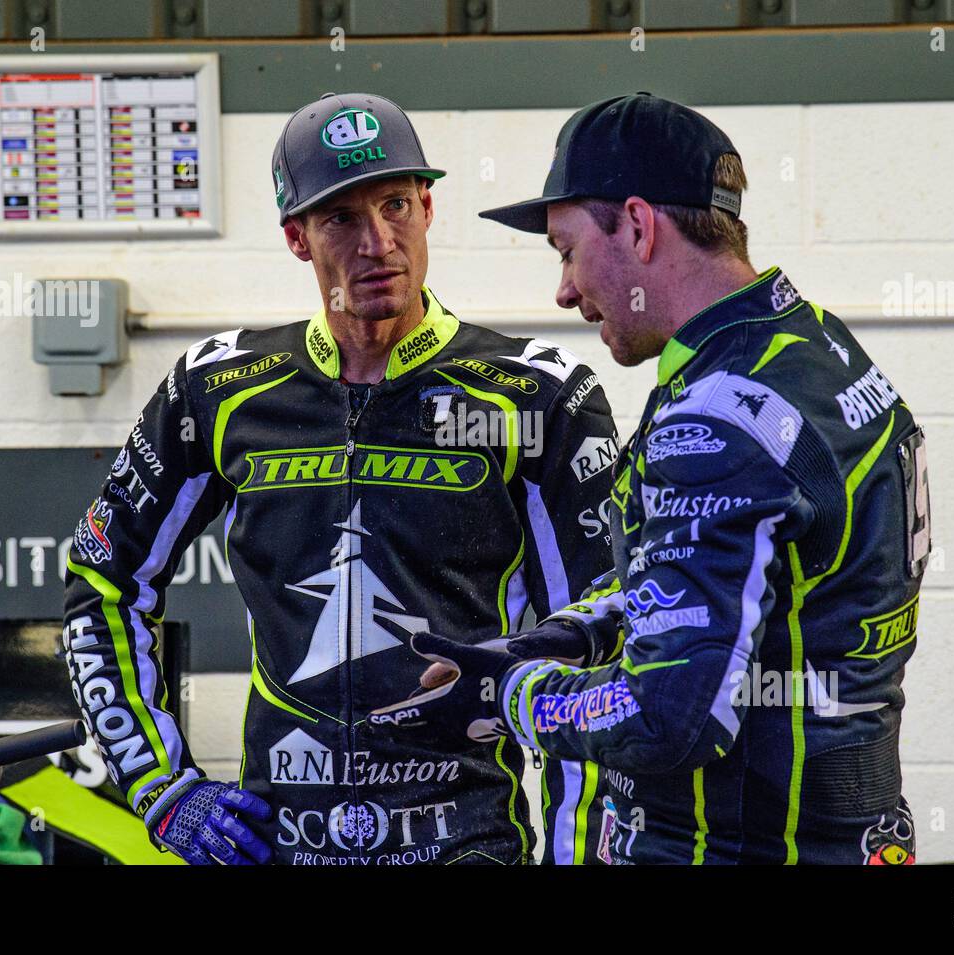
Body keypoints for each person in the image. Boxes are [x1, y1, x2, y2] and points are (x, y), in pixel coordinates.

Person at [369, 93, 930, 865]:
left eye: (566, 251)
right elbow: (727, 595)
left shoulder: (716, 425)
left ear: (637, 224)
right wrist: (566, 635)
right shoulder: (814, 351)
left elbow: (669, 718)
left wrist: (507, 695)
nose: (564, 291)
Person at [63, 92, 620, 865]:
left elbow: (598, 643)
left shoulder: (538, 393)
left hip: (469, 845)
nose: (378, 243)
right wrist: (161, 786)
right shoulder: (218, 388)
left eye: (397, 205)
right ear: (298, 238)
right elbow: (100, 578)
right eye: (341, 219)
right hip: (280, 846)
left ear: (430, 208)